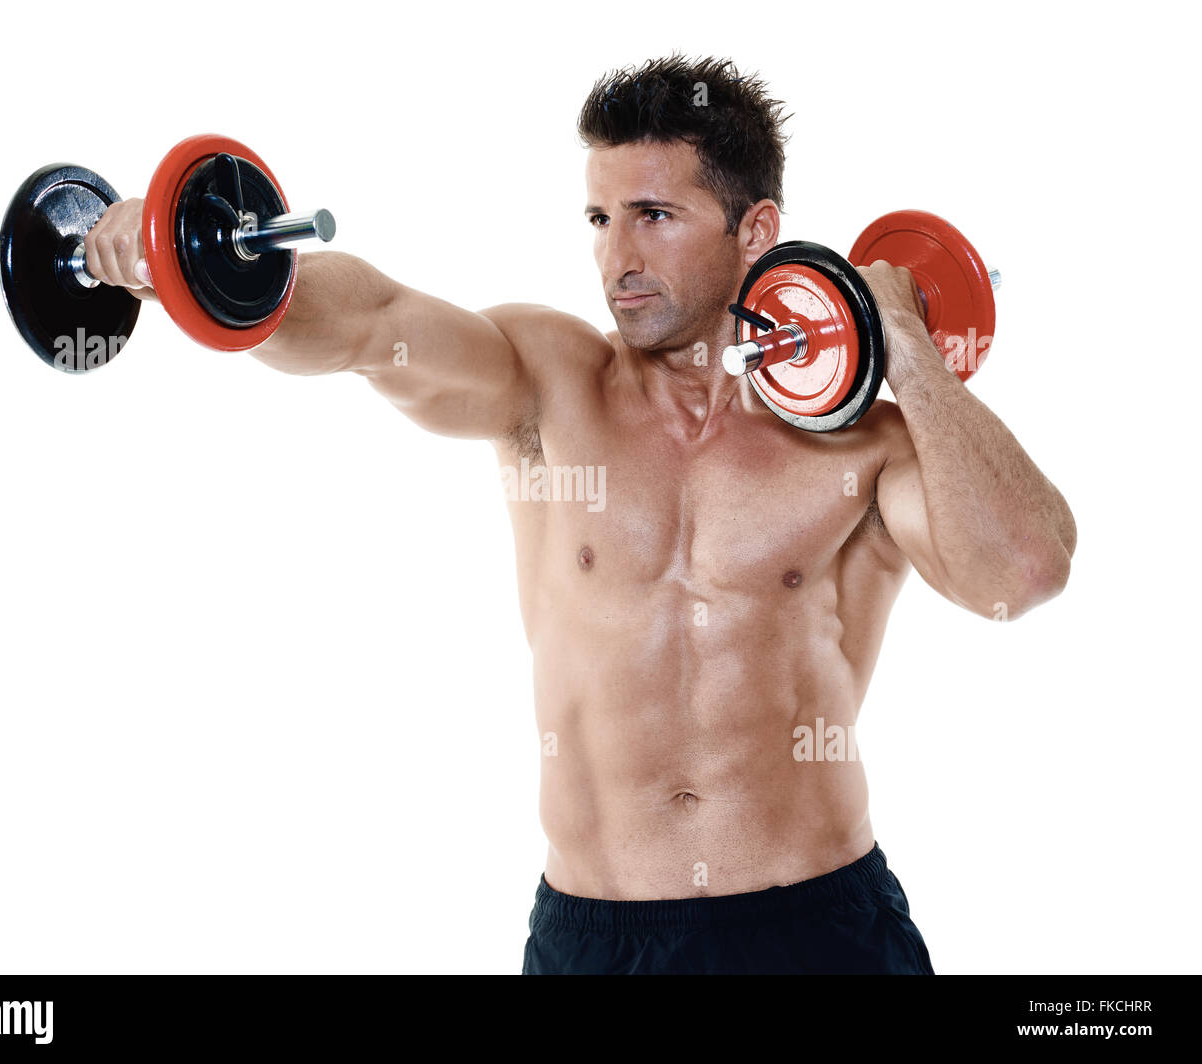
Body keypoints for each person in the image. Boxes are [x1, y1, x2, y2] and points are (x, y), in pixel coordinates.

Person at [81, 55, 1076, 974]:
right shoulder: (546, 382)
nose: (617, 257)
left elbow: (1022, 570)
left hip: (813, 924)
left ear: (756, 231)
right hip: (595, 935)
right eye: (599, 220)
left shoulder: (865, 440)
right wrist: (193, 264)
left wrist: (899, 338)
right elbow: (365, 324)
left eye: (653, 215)